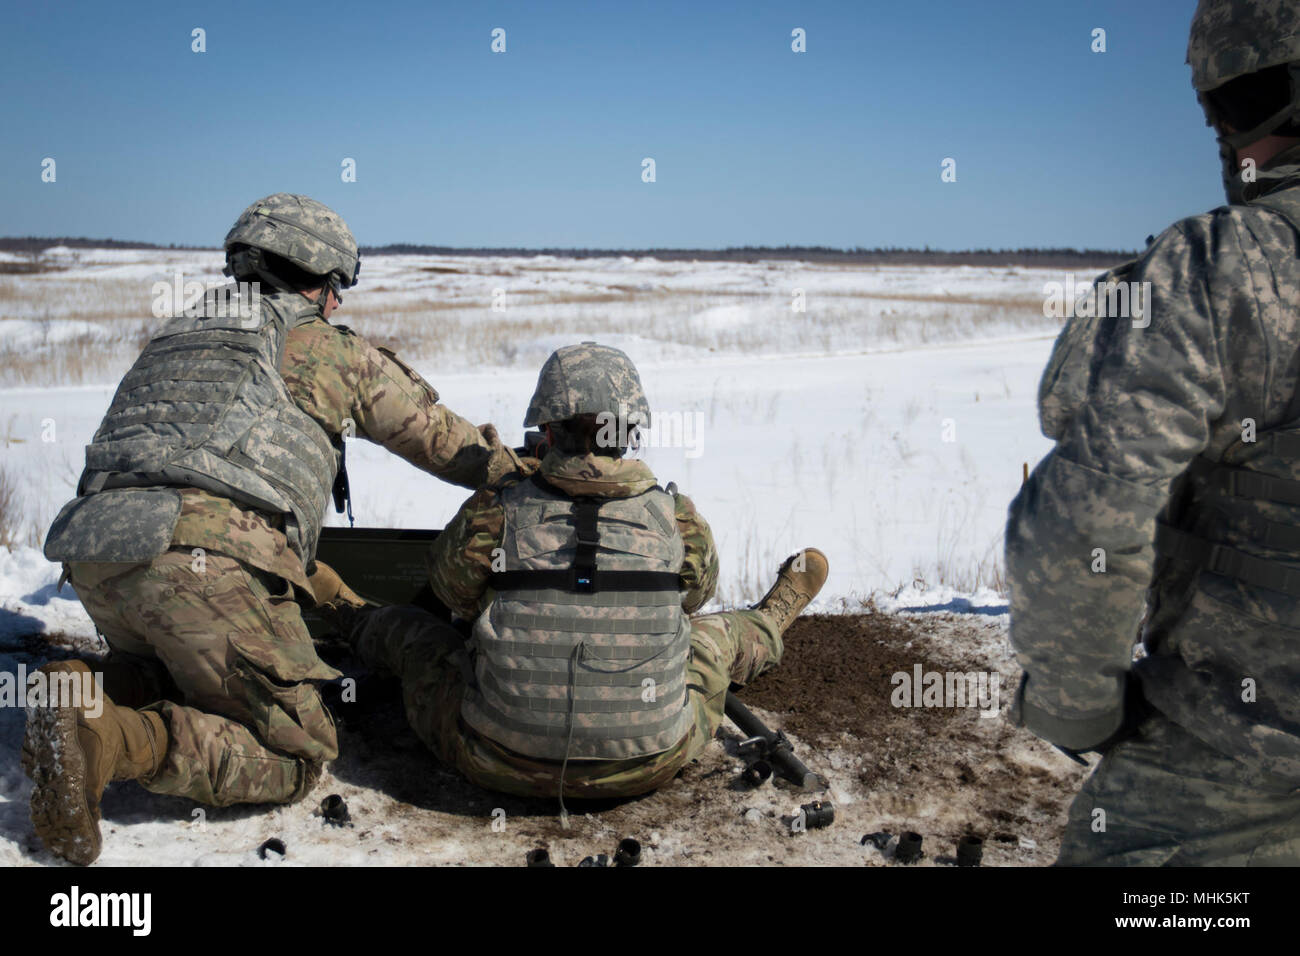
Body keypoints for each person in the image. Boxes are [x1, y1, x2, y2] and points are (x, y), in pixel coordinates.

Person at [24, 193, 520, 865]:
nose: (338, 303)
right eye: (336, 286)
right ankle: (109, 737)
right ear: (315, 274)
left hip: (97, 555)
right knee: (294, 751)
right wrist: (528, 470)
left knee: (174, 670)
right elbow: (444, 445)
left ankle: (82, 690)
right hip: (202, 560)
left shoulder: (182, 333)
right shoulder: (323, 348)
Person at [1006, 1, 1300, 865]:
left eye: (1235, 106)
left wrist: (1077, 708)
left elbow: (1082, 523)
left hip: (1238, 765)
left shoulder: (1220, 272)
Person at [332, 343, 828, 807]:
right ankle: (770, 619)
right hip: (650, 761)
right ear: (631, 434)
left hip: (493, 761)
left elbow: (451, 595)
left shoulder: (495, 512)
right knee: (713, 638)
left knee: (410, 633)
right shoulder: (678, 518)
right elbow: (693, 600)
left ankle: (338, 615)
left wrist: (512, 499)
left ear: (547, 433)